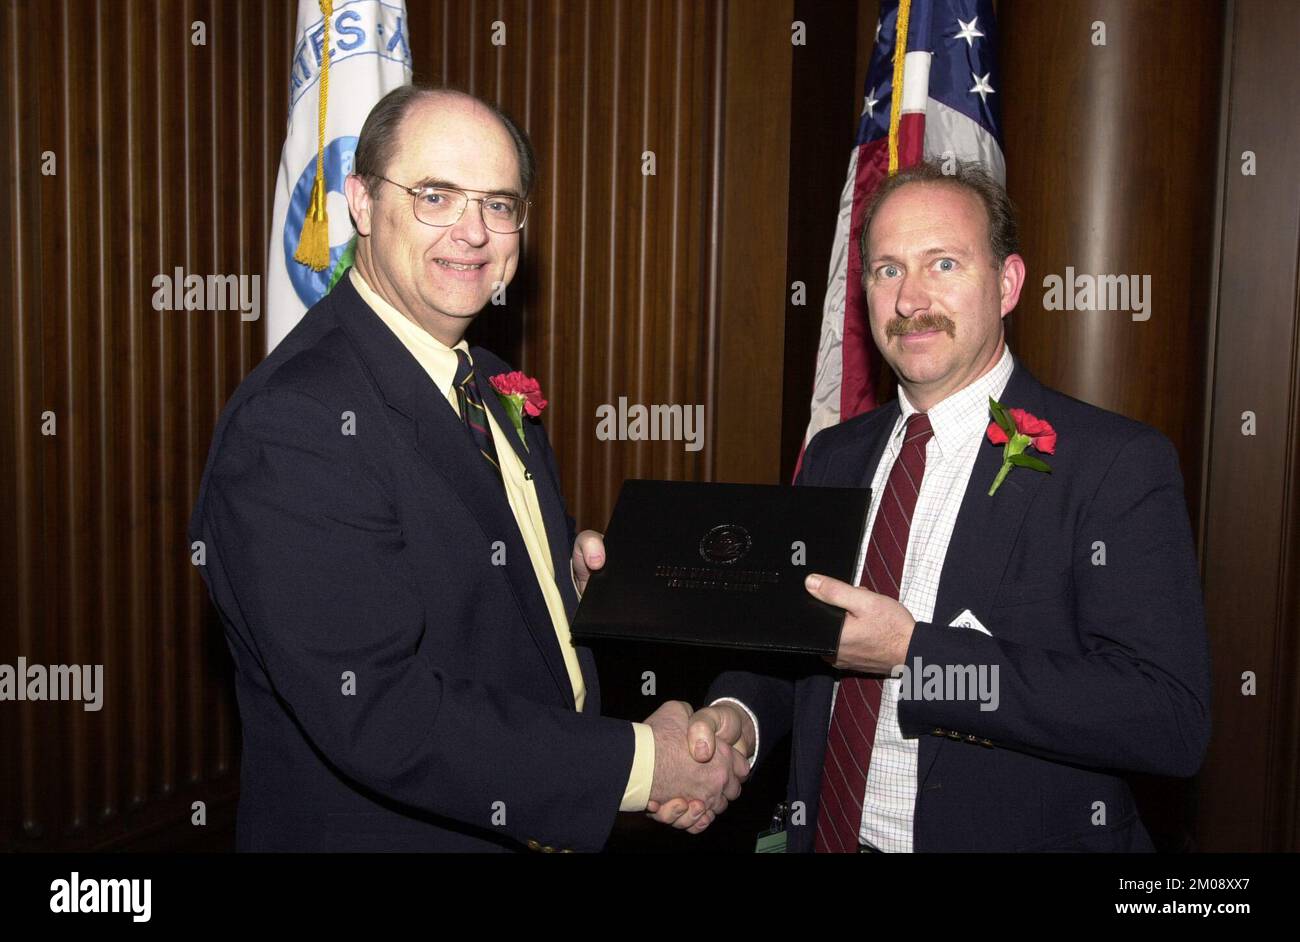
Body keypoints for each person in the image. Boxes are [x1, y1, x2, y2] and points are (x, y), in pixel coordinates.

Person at [189, 84, 747, 852]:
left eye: (499, 203)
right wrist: (647, 764)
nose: (473, 232)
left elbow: (469, 594)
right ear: (359, 201)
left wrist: (567, 588)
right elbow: (381, 713)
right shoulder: (296, 423)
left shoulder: (482, 377)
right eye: (435, 195)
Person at [652, 159, 1211, 851]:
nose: (910, 300)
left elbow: (1166, 720)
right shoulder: (834, 456)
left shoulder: (1113, 463)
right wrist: (738, 717)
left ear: (1007, 285)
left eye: (942, 264)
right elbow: (792, 644)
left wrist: (917, 656)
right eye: (887, 270)